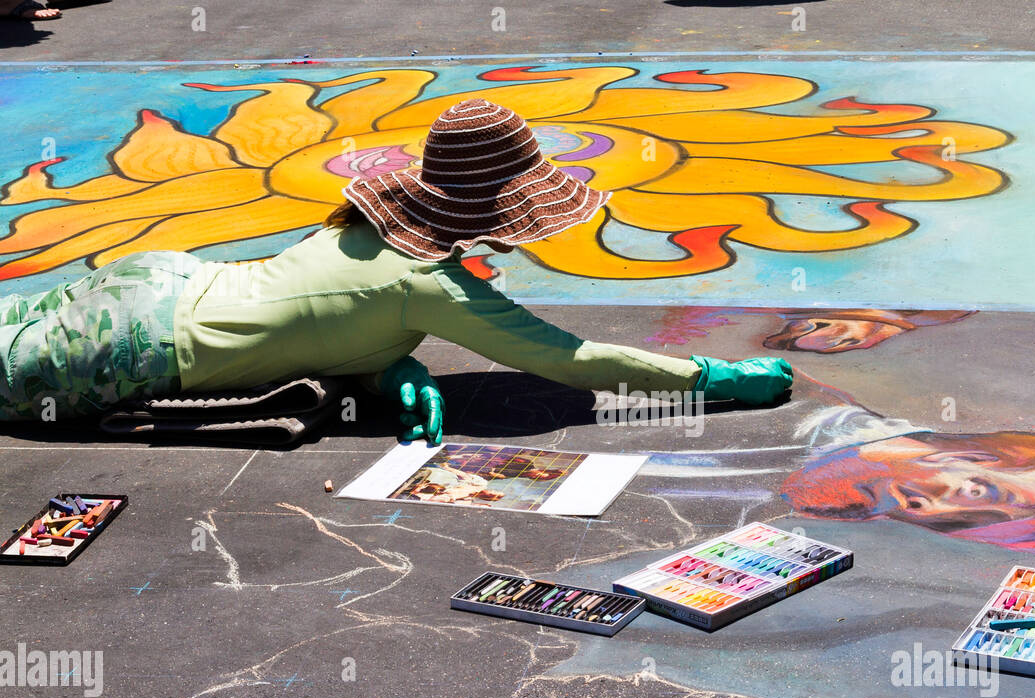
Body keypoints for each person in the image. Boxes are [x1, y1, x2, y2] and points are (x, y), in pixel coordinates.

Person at [0, 99, 793, 439]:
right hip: (132, 346)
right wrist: (711, 377)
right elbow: (569, 362)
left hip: (155, 282)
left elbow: (321, 311)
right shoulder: (431, 283)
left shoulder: (366, 229)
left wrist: (386, 370)